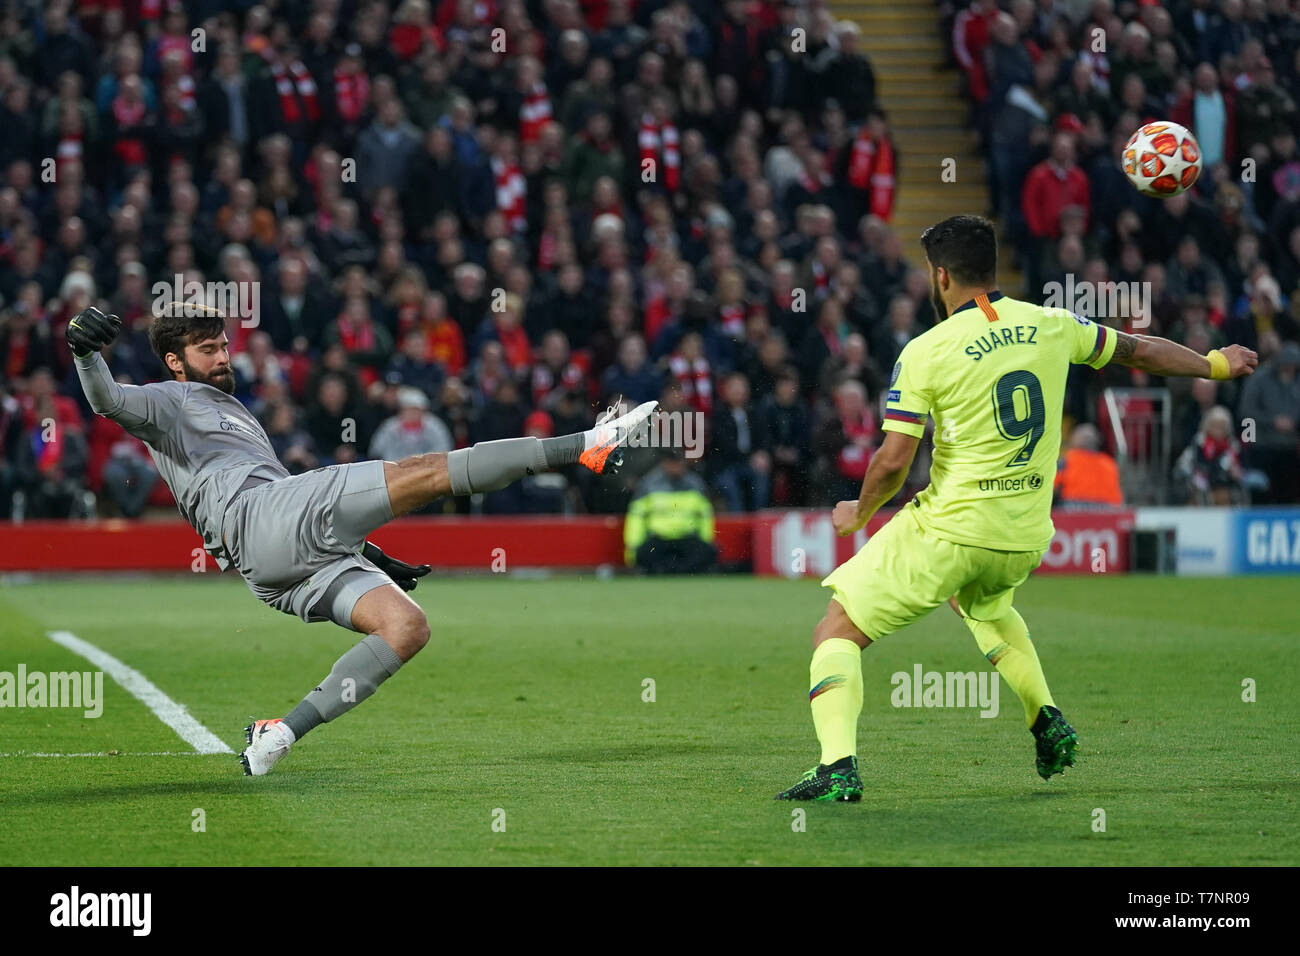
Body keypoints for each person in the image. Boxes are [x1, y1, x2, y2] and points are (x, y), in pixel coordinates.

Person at [776, 215, 1258, 802]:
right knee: (981, 604)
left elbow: (895, 457)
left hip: (952, 528)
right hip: (1025, 534)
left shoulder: (926, 350)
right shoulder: (1054, 323)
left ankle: (836, 768)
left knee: (838, 629)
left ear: (941, 275)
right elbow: (1138, 350)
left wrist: (859, 508)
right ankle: (1046, 715)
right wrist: (1213, 363)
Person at [67, 304, 657, 776]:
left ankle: (280, 734)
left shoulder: (234, 410)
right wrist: (85, 350)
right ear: (174, 361)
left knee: (407, 628)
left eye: (224, 345)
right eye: (207, 349)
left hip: (274, 566)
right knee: (420, 472)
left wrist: (366, 552)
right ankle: (580, 446)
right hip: (259, 519)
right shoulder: (170, 401)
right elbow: (107, 400)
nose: (223, 356)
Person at [623, 448, 717, 574]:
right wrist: (633, 546)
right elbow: (636, 517)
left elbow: (705, 516)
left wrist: (706, 541)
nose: (676, 467)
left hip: (687, 538)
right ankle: (679, 570)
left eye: (678, 462)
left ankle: (666, 570)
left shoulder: (695, 484)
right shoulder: (649, 484)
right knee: (643, 555)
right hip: (658, 539)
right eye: (672, 463)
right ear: (664, 463)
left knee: (708, 552)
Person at [1053, 423, 1123, 507]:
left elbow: (1053, 489)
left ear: (1075, 440)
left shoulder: (1067, 460)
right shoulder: (1109, 463)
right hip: (1108, 509)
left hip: (1073, 508)